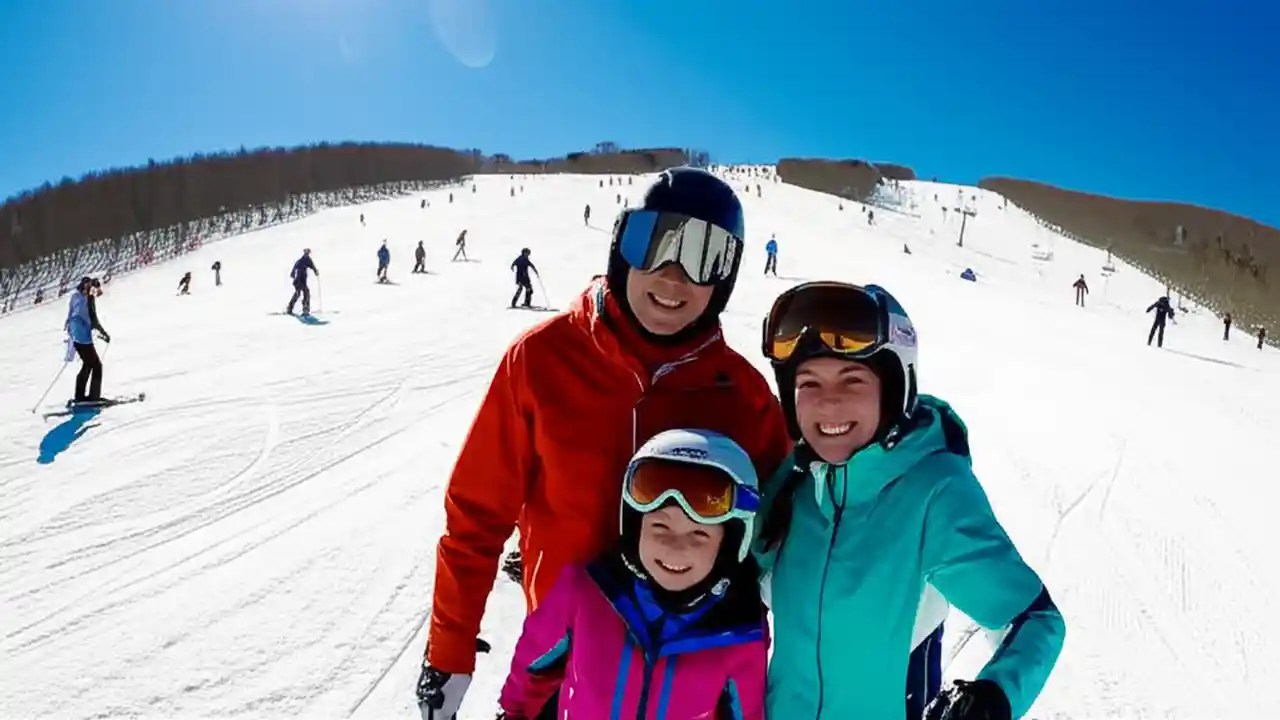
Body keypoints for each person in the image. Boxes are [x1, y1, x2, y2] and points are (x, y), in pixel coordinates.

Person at [415, 167, 790, 720]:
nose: (673, 277)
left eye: (704, 257)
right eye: (652, 243)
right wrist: (449, 650)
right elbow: (476, 513)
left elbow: (790, 534)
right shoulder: (543, 359)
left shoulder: (743, 395)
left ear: (725, 278)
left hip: (683, 687)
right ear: (621, 246)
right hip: (565, 665)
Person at [755, 281, 1065, 720]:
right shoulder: (796, 485)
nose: (829, 404)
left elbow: (1035, 622)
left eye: (852, 379)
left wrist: (992, 701)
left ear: (894, 387)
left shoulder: (934, 491)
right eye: (809, 383)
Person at [498, 429, 767, 720]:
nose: (674, 548)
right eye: (659, 527)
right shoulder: (586, 592)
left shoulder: (740, 632)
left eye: (699, 534)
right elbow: (531, 665)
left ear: (729, 545)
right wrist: (514, 713)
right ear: (635, 527)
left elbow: (748, 712)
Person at [65, 276, 110, 402]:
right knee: (97, 366)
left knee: (87, 364)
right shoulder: (88, 297)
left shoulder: (75, 296)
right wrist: (104, 334)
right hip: (83, 336)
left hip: (75, 335)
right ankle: (94, 397)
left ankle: (79, 396)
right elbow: (93, 318)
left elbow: (71, 313)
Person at [286, 248, 318, 315]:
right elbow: (295, 268)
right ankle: (291, 308)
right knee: (300, 293)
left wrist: (315, 271)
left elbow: (312, 266)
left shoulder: (308, 260)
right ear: (304, 253)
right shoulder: (300, 261)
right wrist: (292, 273)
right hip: (298, 281)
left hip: (302, 281)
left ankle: (305, 308)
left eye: (308, 253)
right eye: (306, 253)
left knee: (304, 293)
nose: (307, 254)